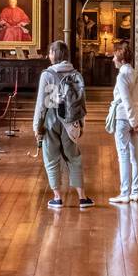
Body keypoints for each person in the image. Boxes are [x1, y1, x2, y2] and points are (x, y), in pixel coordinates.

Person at [33, 40, 92, 210]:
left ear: (55, 54)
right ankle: (82, 198)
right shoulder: (75, 74)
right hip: (70, 119)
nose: (48, 55)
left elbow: (41, 104)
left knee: (51, 158)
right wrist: (81, 123)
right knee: (73, 157)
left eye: (50, 52)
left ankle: (57, 198)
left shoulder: (47, 74)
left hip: (51, 119)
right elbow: (82, 102)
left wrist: (37, 126)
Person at [109, 41, 138, 204]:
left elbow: (126, 101)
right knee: (136, 156)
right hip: (135, 120)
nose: (112, 59)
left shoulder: (122, 76)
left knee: (123, 155)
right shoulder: (136, 75)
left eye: (114, 56)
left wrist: (133, 122)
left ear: (120, 57)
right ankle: (135, 192)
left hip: (123, 119)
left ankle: (125, 193)